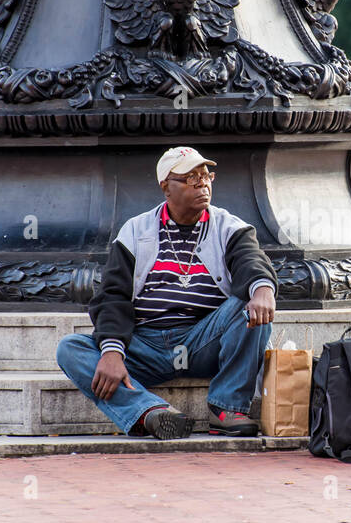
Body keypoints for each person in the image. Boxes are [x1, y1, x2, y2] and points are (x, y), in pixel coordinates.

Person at [56, 146, 277, 439]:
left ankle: (226, 408)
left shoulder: (228, 226)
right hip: (144, 346)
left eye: (206, 175)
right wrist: (111, 350)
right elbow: (112, 296)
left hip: (202, 342)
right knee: (71, 349)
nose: (202, 183)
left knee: (246, 303)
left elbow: (251, 261)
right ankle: (151, 413)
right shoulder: (135, 231)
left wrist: (262, 288)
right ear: (166, 187)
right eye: (190, 177)